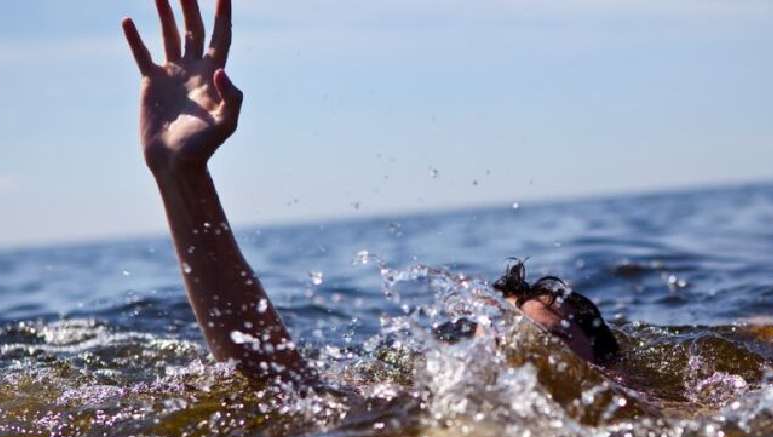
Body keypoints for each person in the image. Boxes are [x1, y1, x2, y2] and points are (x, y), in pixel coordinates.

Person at [120, 0, 618, 384]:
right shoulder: (415, 417)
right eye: (505, 338)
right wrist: (180, 176)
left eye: (548, 339)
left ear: (611, 371)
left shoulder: (635, 428)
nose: (518, 352)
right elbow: (273, 379)